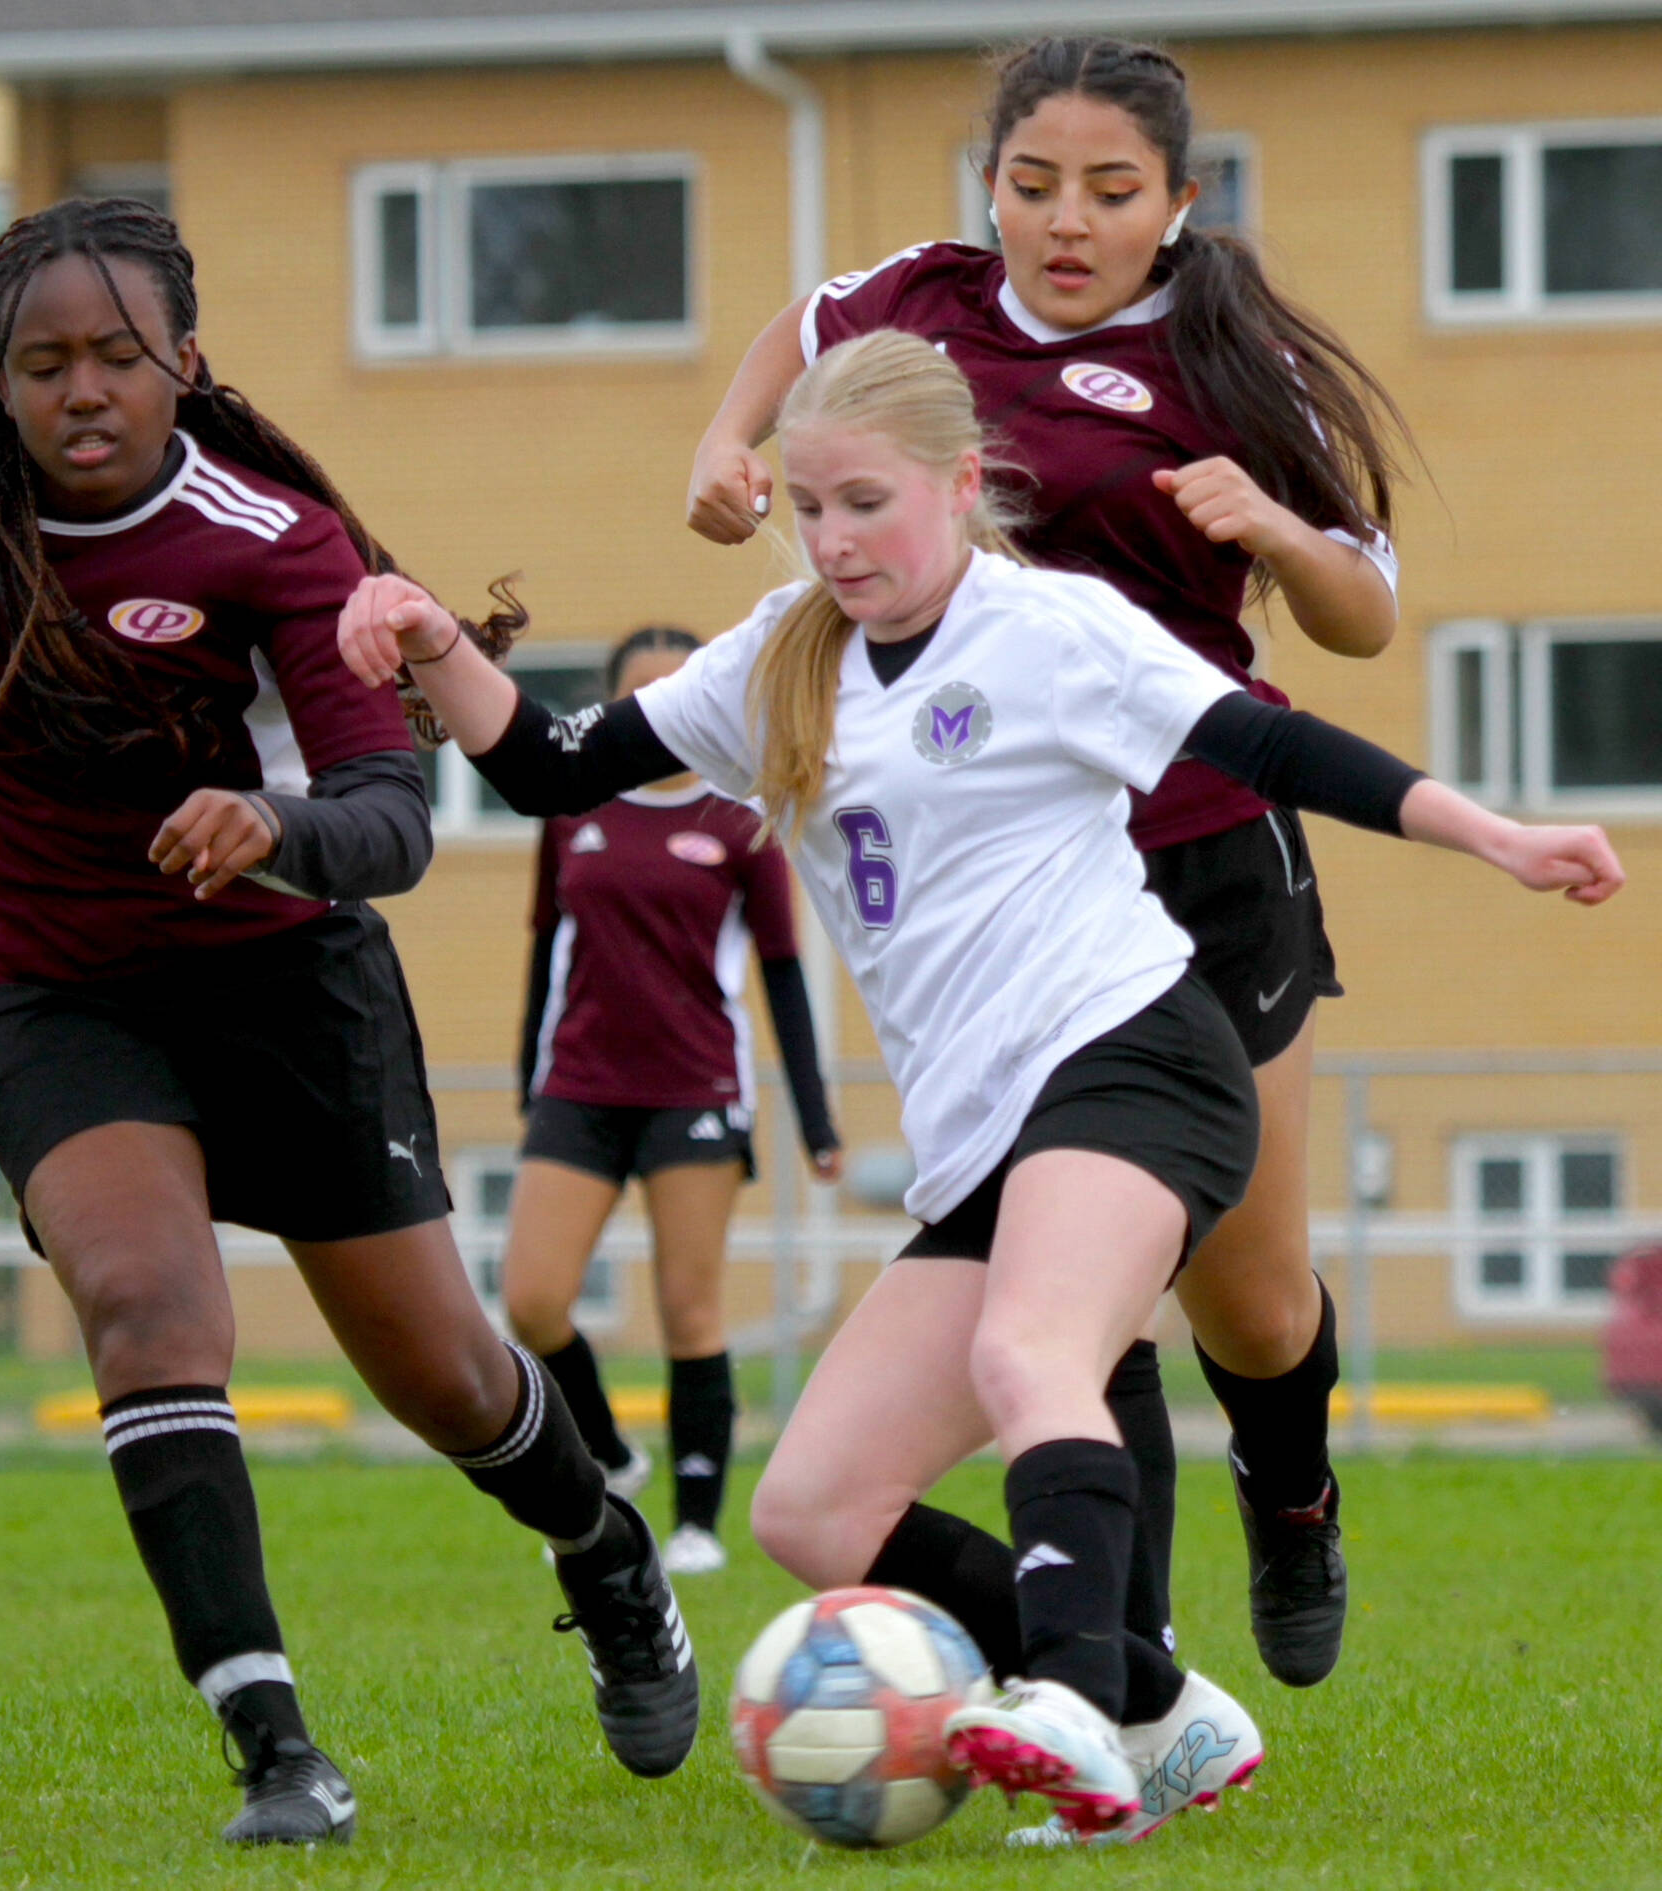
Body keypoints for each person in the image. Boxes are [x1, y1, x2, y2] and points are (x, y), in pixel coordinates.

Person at [338, 330, 1621, 1836]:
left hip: (1136, 1052)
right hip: (981, 1138)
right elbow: (554, 764)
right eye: (808, 507)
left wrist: (1501, 836)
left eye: (867, 503)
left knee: (1035, 1357)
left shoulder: (1048, 629)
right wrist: (435, 641)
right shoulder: (775, 655)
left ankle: (1071, 1714)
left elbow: (1272, 740)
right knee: (809, 1508)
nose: (834, 539)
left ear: (961, 486)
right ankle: (1154, 1703)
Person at [0, 198, 698, 1850]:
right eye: (45, 361)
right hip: (54, 988)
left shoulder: (272, 542)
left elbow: (390, 816)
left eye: (120, 359)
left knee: (445, 1381)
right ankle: (275, 1746)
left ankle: (604, 1548)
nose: (84, 391)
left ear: (183, 366)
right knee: (144, 1307)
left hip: (288, 985)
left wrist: (270, 828)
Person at [686, 34, 1415, 1693]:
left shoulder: (1231, 359)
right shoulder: (920, 302)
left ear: (1178, 199)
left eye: (1107, 190)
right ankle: (1120, 1670)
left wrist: (1275, 530)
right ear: (985, 184)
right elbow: (787, 340)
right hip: (999, 888)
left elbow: (1361, 613)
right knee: (1078, 1289)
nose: (1063, 221)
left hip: (1203, 865)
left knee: (1244, 1295)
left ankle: (1287, 1493)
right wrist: (720, 458)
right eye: (1030, 185)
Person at [508, 625, 843, 1576]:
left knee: (689, 1309)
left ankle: (697, 1521)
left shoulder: (743, 821)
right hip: (577, 1085)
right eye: (637, 693)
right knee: (532, 1301)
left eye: (677, 688)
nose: (656, 709)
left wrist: (817, 1122)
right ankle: (609, 1456)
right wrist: (527, 1076)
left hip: (694, 1090)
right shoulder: (572, 810)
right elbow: (546, 949)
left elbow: (783, 977)